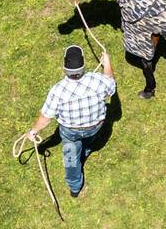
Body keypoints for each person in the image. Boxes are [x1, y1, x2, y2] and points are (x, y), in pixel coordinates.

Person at [25, 44, 115, 198]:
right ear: (83, 65)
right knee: (88, 141)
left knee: (72, 159)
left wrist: (33, 132)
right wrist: (107, 62)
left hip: (71, 132)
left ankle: (75, 187)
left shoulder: (58, 91)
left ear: (64, 67)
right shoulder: (98, 80)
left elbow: (46, 118)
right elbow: (111, 84)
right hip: (95, 127)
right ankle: (85, 151)